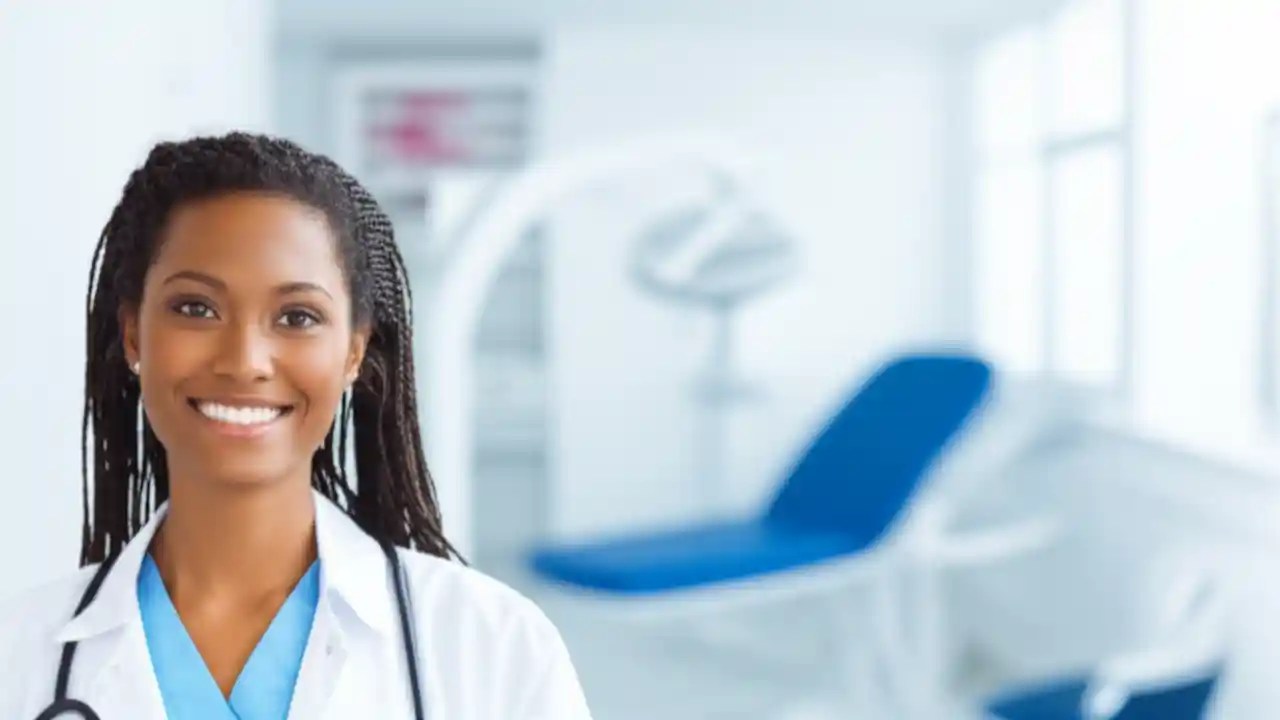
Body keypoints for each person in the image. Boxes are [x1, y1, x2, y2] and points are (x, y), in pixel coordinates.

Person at [0, 132, 592, 719]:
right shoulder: (19, 656)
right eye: (196, 308)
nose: (244, 361)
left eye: (297, 317)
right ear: (134, 335)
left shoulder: (494, 648)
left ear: (354, 352)